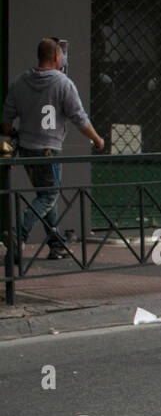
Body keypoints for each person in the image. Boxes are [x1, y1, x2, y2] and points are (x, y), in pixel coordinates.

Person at [1, 38, 104, 260]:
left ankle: (56, 244)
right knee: (49, 195)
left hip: (26, 150)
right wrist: (97, 138)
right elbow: (79, 118)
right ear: (57, 57)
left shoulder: (20, 81)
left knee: (46, 194)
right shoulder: (63, 84)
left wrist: (13, 134)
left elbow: (6, 120)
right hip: (49, 150)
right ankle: (19, 235)